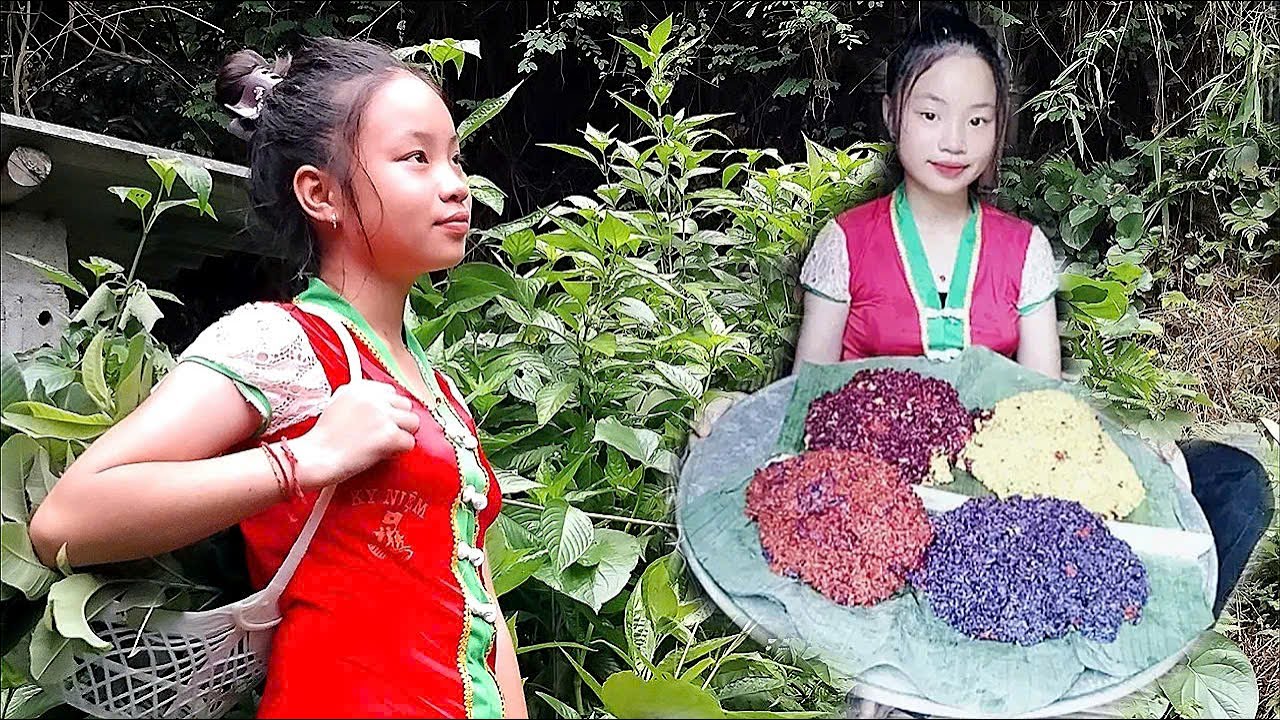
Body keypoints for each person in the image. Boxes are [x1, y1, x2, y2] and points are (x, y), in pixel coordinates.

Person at [28, 37, 528, 719]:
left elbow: (476, 598)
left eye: (454, 156)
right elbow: (68, 520)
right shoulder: (279, 342)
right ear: (320, 194)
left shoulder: (440, 391)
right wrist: (306, 458)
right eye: (417, 158)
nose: (454, 183)